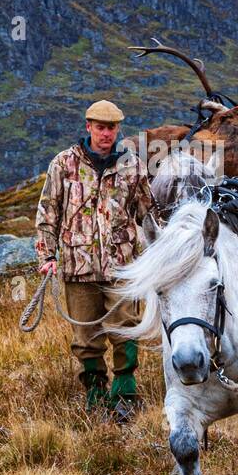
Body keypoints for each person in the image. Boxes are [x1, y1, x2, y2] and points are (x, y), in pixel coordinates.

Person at [35, 99, 154, 419]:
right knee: (85, 334)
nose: (105, 134)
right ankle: (96, 393)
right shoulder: (63, 164)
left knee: (125, 327)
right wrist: (47, 254)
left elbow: (148, 215)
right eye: (100, 127)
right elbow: (48, 213)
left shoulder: (133, 166)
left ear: (118, 129)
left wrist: (166, 253)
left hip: (122, 264)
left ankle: (125, 392)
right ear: (88, 126)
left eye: (111, 128)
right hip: (78, 265)